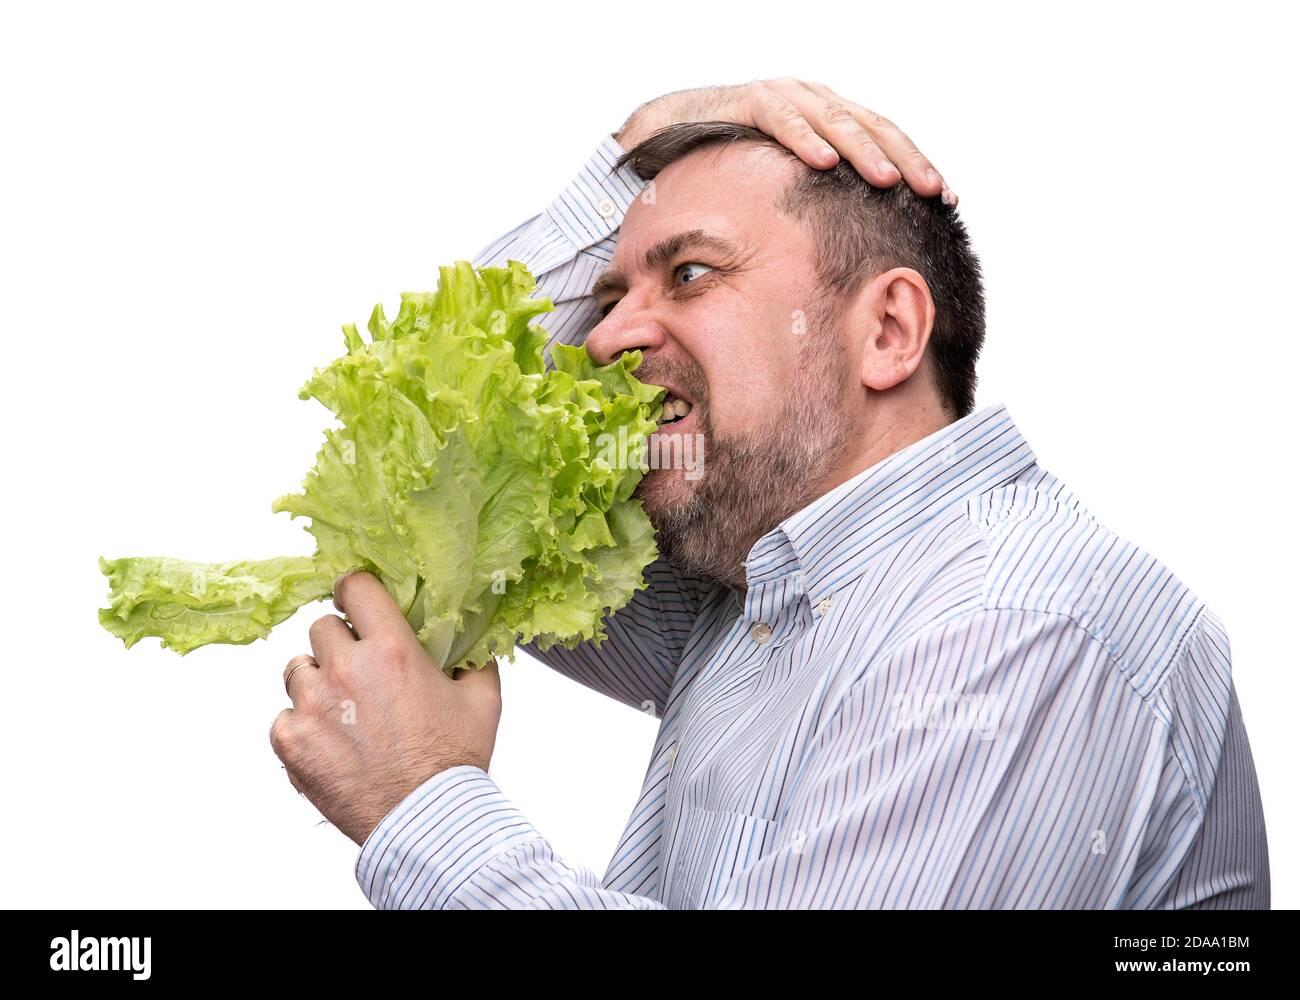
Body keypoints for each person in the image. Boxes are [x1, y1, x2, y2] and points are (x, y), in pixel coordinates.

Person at [270, 78, 1269, 909]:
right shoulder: (747, 587)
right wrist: (634, 150)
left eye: (691, 273)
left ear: (886, 333)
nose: (605, 339)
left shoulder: (1012, 626)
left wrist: (424, 804)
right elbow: (445, 461)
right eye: (610, 296)